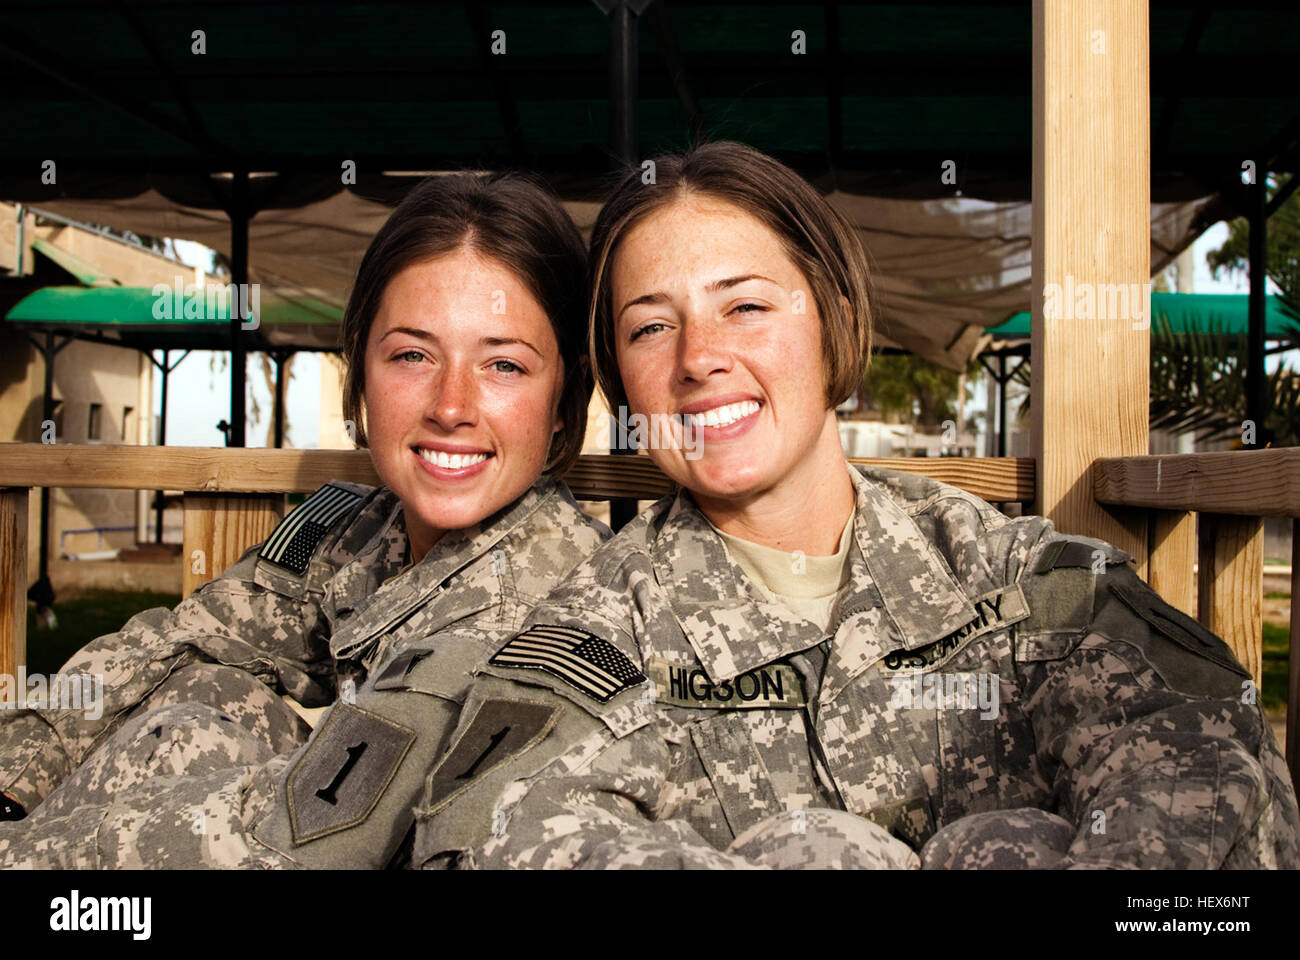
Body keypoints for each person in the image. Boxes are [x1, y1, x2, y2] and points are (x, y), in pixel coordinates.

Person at [404, 141, 1300, 870]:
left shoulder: (1016, 577)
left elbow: (1210, 755)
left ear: (832, 317)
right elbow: (498, 833)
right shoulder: (593, 628)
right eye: (650, 326)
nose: (699, 356)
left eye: (746, 306)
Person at [0, 172, 609, 867]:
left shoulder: (549, 605)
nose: (450, 405)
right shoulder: (359, 524)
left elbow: (315, 826)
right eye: (412, 355)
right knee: (207, 692)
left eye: (503, 365)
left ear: (564, 400)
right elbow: (192, 642)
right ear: (360, 372)